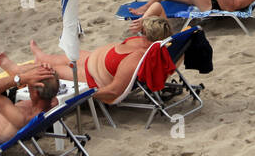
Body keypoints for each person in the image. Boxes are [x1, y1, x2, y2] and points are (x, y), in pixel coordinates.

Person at [26, 16, 171, 104]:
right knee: (63, 57)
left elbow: (114, 92)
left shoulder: (136, 58)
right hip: (92, 60)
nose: (139, 31)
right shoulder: (155, 43)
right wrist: (145, 20)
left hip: (92, 79)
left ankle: (19, 72)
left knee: (49, 71)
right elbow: (157, 7)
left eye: (143, 31)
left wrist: (86, 94)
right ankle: (41, 57)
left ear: (148, 36)